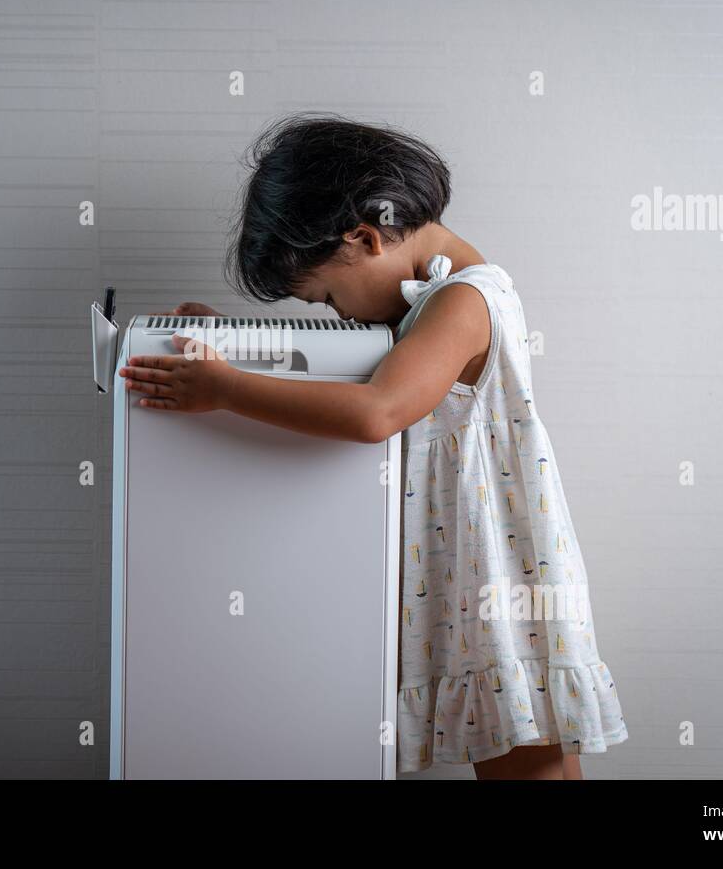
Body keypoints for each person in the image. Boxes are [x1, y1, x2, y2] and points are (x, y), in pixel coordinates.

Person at [118, 112, 628, 779]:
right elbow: (344, 371)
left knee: (526, 766)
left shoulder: (462, 303)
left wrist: (226, 388)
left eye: (327, 295)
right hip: (473, 576)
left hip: (500, 578)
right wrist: (233, 343)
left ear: (362, 237)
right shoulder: (424, 305)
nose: (340, 315)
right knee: (518, 757)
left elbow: (374, 410)